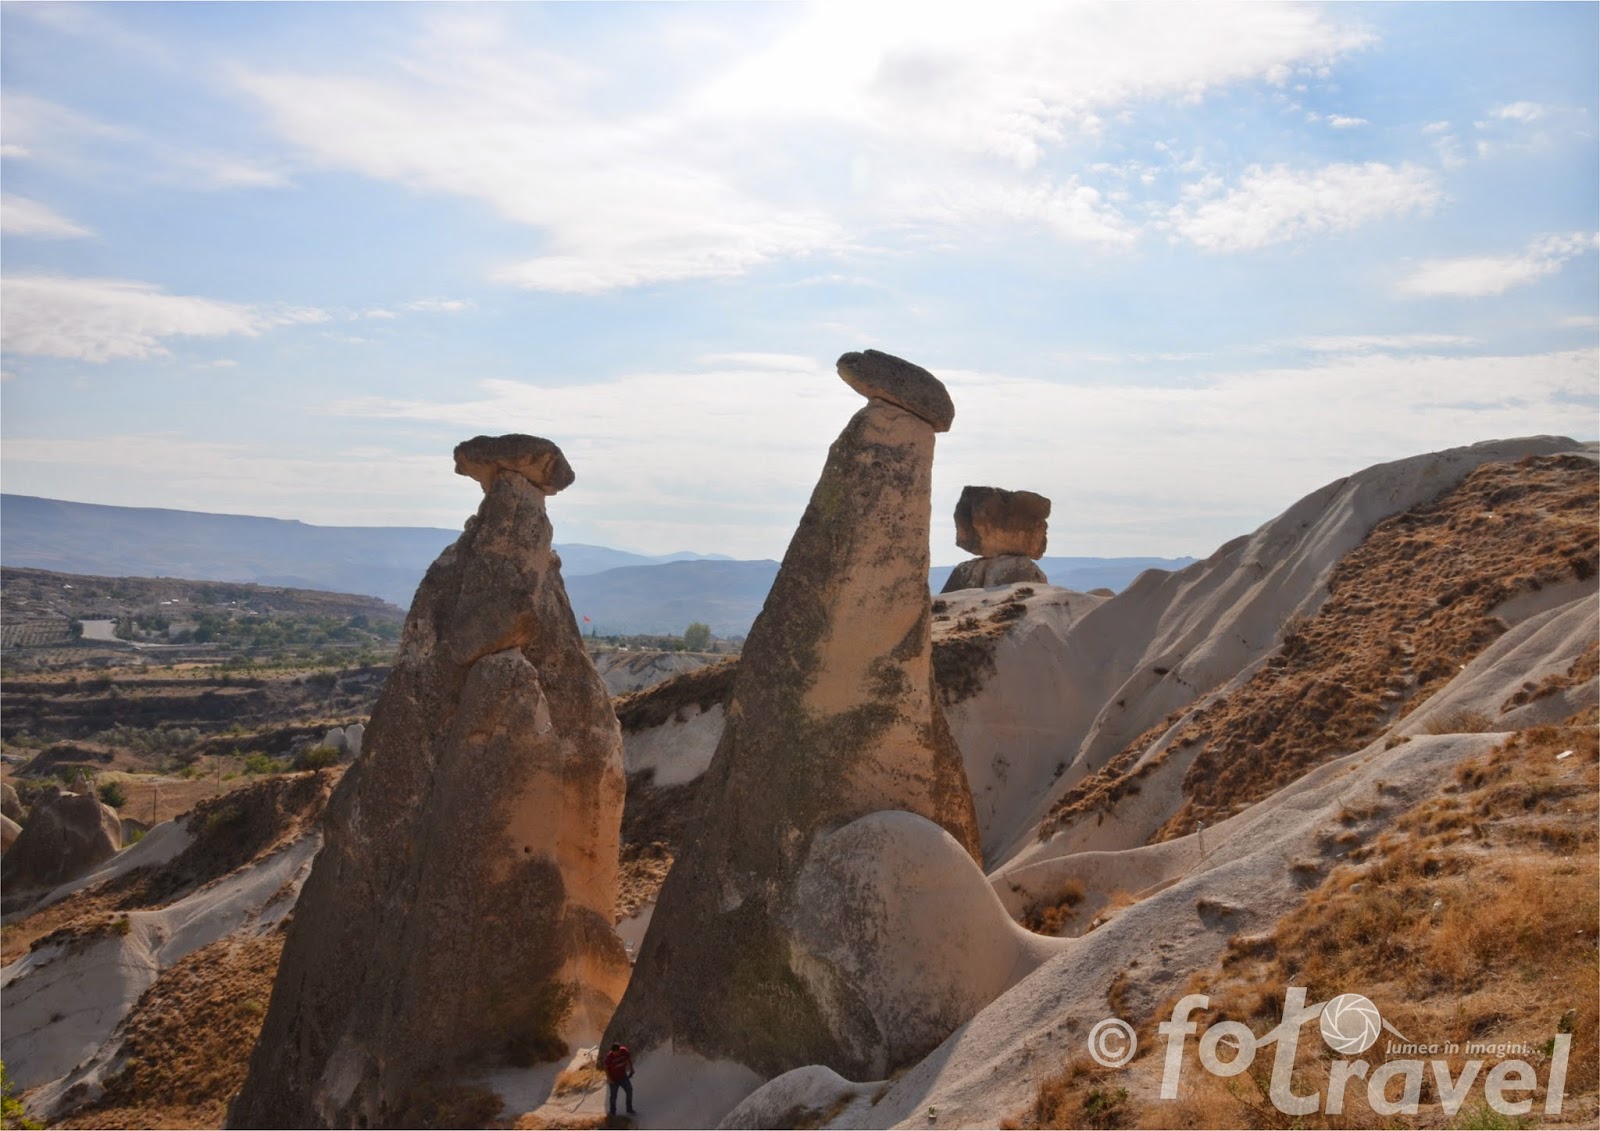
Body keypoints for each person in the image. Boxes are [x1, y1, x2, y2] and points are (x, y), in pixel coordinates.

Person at [603, 1041, 636, 1117]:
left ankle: (629, 1109)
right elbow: (606, 1068)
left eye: (617, 1052)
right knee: (613, 1096)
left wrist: (631, 1069)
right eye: (614, 1052)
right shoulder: (609, 1057)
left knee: (629, 1090)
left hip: (623, 1076)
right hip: (613, 1079)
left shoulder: (624, 1051)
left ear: (619, 1049)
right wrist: (609, 1078)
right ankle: (612, 1112)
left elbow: (628, 1059)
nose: (615, 1054)